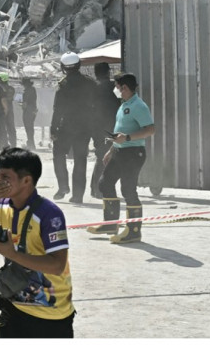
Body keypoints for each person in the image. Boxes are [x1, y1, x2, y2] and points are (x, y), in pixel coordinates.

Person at [0, 148, 75, 338]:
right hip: (13, 307)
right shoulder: (1, 205)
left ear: (26, 180)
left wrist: (12, 254)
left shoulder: (49, 213)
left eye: (5, 176)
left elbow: (57, 265)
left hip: (51, 315)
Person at [90, 73, 155, 244]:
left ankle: (134, 231)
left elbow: (150, 130)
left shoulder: (138, 106)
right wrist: (112, 149)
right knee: (105, 183)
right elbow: (120, 130)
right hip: (120, 152)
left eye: (117, 87)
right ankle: (110, 224)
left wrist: (126, 138)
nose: (116, 90)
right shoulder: (124, 104)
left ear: (124, 88)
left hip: (133, 153)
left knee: (128, 190)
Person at [50, 53, 96, 203]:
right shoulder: (90, 83)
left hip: (66, 126)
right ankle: (78, 196)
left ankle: (63, 186)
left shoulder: (63, 84)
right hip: (85, 127)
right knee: (80, 160)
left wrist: (53, 128)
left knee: (58, 155)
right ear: (79, 65)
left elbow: (57, 109)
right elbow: (96, 106)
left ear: (63, 67)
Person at [87, 63, 119, 199]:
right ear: (107, 72)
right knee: (104, 157)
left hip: (96, 126)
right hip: (109, 126)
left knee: (101, 156)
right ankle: (98, 188)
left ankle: (94, 188)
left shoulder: (92, 87)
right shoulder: (113, 87)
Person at [19, 78, 38, 149]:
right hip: (33, 109)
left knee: (28, 127)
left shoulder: (26, 91)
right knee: (30, 127)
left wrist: (21, 104)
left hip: (28, 110)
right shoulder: (33, 89)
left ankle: (30, 143)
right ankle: (31, 143)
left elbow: (24, 103)